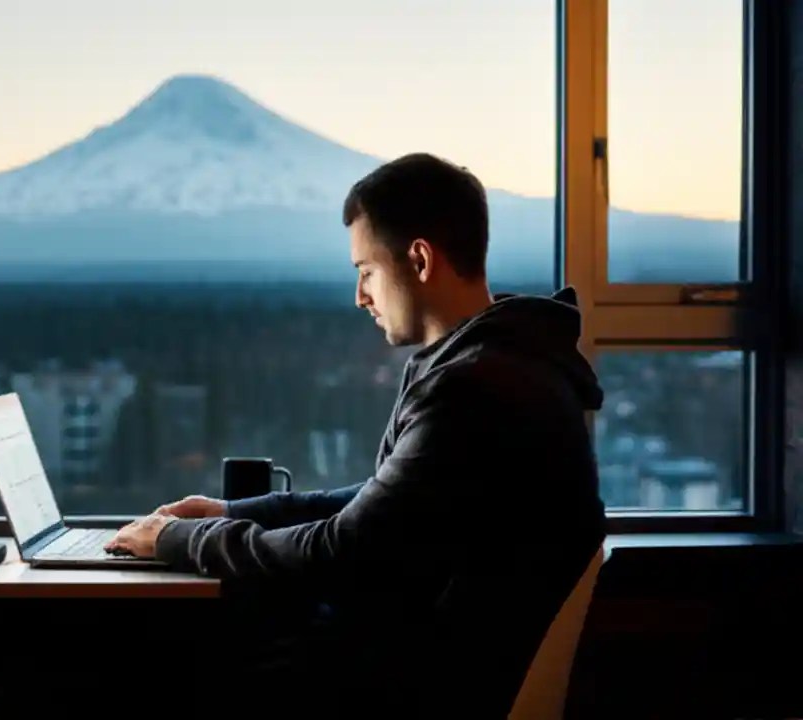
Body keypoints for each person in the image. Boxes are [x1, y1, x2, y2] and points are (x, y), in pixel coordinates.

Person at [105, 152, 607, 713]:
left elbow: (345, 549)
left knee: (145, 665)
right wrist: (231, 513)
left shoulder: (477, 388)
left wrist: (177, 541)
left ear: (418, 260)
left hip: (406, 684)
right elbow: (383, 501)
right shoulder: (502, 361)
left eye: (366, 272)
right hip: (413, 659)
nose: (359, 297)